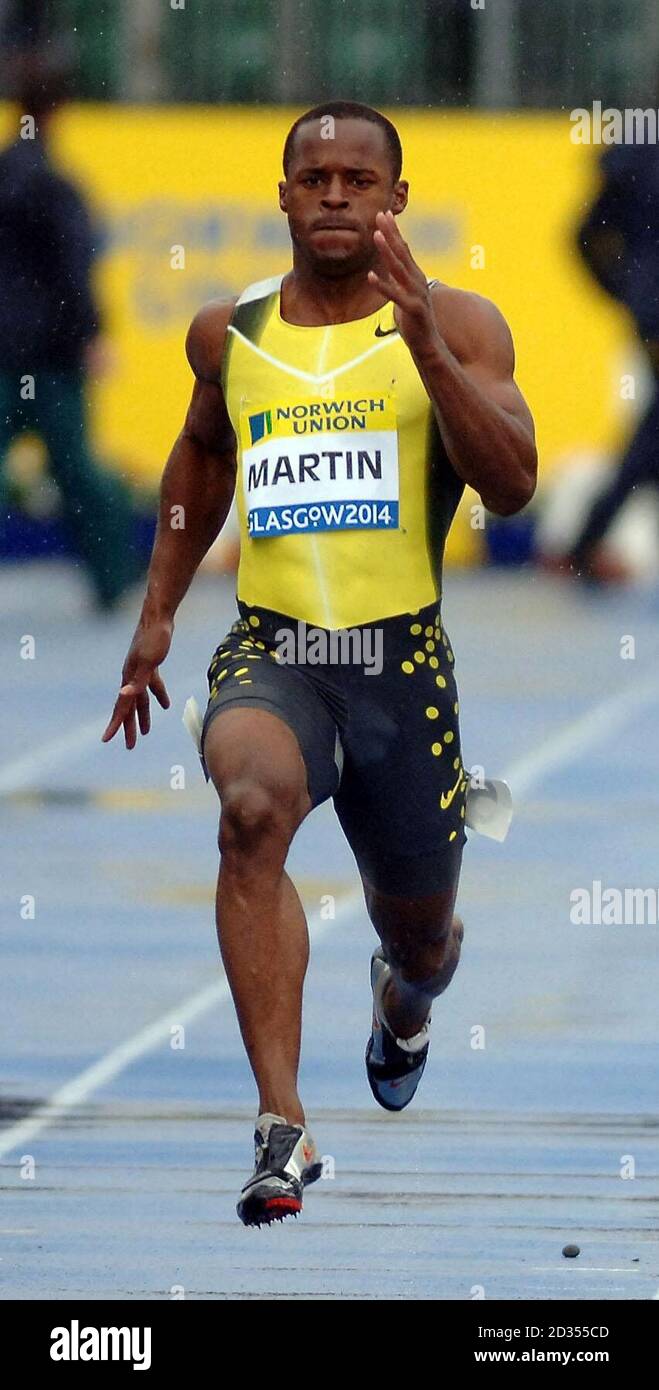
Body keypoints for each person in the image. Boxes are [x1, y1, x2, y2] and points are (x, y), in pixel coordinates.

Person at [103, 101, 537, 1226]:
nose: (336, 195)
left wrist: (427, 344)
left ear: (396, 199)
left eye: (360, 179)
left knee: (422, 940)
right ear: (283, 195)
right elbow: (200, 458)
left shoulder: (463, 323)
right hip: (272, 653)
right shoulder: (230, 333)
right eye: (315, 178)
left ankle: (403, 1004)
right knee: (248, 807)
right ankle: (282, 1126)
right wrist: (155, 617)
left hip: (401, 678)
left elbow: (512, 484)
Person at [0, 58, 140, 609]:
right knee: (79, 471)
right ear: (61, 111)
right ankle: (115, 581)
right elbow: (73, 272)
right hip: (52, 356)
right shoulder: (58, 188)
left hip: (3, 353)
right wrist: (91, 335)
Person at [567, 142, 659, 579]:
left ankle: (587, 539)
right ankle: (586, 540)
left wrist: (627, 291)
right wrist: (624, 290)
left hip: (650, 309)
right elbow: (583, 235)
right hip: (655, 312)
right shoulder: (641, 157)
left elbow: (584, 235)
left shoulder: (637, 155)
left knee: (653, 431)